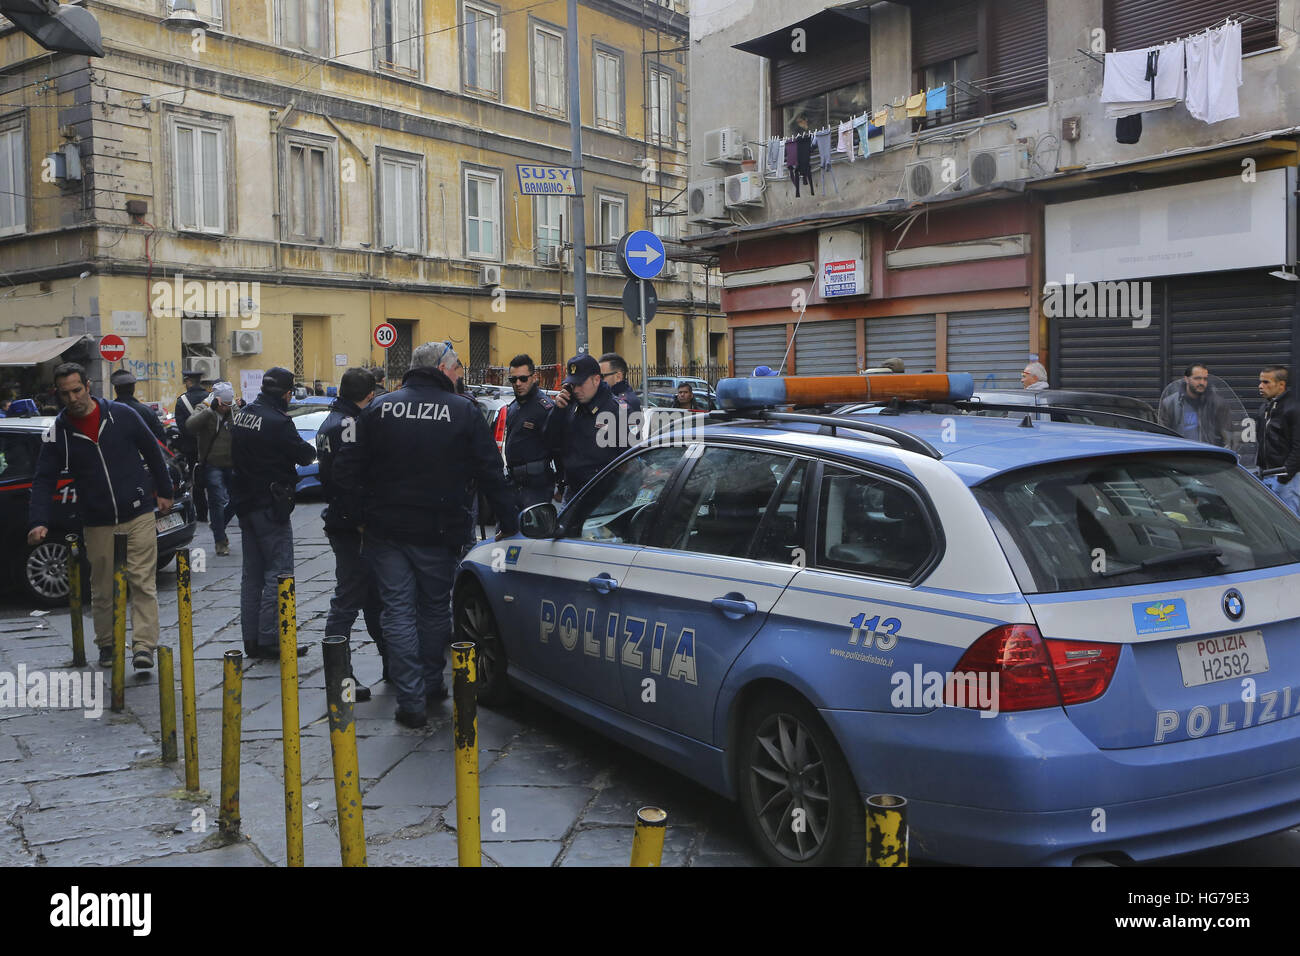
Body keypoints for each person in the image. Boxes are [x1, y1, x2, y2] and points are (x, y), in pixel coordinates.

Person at [333, 342, 517, 728]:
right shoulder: (464, 410)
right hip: (440, 529)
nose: (461, 374)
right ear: (442, 368)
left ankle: (410, 700)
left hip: (386, 531)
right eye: (457, 368)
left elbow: (347, 468)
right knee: (435, 609)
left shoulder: (380, 408)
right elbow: (490, 472)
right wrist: (511, 521)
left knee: (397, 611)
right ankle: (432, 684)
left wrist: (359, 517)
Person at [26, 362, 174, 670]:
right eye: (65, 394)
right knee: (103, 586)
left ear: (88, 386)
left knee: (142, 581)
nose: (72, 399)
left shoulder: (121, 415)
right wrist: (38, 520)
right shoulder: (59, 433)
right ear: (58, 394)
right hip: (96, 519)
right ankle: (107, 644)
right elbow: (43, 478)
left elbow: (152, 449)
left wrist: (165, 491)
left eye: (77, 390)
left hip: (138, 512)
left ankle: (144, 646)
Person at [229, 367, 317, 659]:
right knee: (279, 572)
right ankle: (272, 638)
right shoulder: (278, 422)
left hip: (244, 502)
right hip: (270, 504)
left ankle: (252, 640)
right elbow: (303, 454)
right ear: (286, 393)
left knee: (251, 575)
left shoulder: (243, 414)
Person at [316, 367, 385, 701]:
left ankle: (393, 663)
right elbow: (346, 478)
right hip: (351, 526)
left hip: (340, 520)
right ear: (369, 395)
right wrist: (360, 520)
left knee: (372, 595)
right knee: (349, 598)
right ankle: (339, 676)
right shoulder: (351, 425)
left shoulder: (331, 421)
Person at [546, 353, 626, 504]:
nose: (575, 389)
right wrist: (557, 411)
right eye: (572, 384)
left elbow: (626, 460)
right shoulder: (570, 405)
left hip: (603, 496)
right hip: (573, 491)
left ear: (596, 380)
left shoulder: (616, 410)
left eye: (580, 383)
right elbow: (550, 441)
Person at [186, 381, 239, 556]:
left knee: (238, 498)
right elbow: (190, 425)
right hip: (211, 464)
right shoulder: (204, 407)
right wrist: (210, 411)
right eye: (223, 405)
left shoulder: (232, 409)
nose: (226, 408)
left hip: (232, 463)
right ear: (216, 400)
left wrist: (240, 410)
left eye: (228, 405)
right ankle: (220, 541)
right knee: (216, 499)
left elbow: (240, 427)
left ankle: (218, 524)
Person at [503, 353, 558, 516]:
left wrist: (561, 483)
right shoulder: (513, 407)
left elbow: (558, 447)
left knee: (532, 536)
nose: (518, 383)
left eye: (523, 379)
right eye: (513, 380)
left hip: (536, 485)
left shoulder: (545, 408)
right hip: (513, 483)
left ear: (534, 377)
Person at [1257, 365, 1300, 515]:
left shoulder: (1293, 409)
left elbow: (1298, 448)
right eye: (1260, 382)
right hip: (1266, 477)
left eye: (1266, 382)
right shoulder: (1265, 408)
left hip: (1287, 480)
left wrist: (1285, 476)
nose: (1260, 386)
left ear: (1281, 384)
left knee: (1290, 524)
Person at [1157, 363, 1231, 446]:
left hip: (1209, 455)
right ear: (1186, 379)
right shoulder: (1170, 403)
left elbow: (1227, 436)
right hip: (1181, 454)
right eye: (1197, 378)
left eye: (1205, 379)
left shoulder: (1218, 403)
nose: (1202, 382)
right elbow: (1163, 436)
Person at [174, 370, 210, 522]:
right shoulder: (210, 398)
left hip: (193, 448)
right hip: (211, 446)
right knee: (215, 478)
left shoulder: (182, 401)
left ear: (188, 381)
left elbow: (183, 427)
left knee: (197, 481)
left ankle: (201, 514)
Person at [109, 369, 168, 445]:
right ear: (133, 389)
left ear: (115, 389)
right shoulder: (147, 412)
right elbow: (161, 442)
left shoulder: (107, 412)